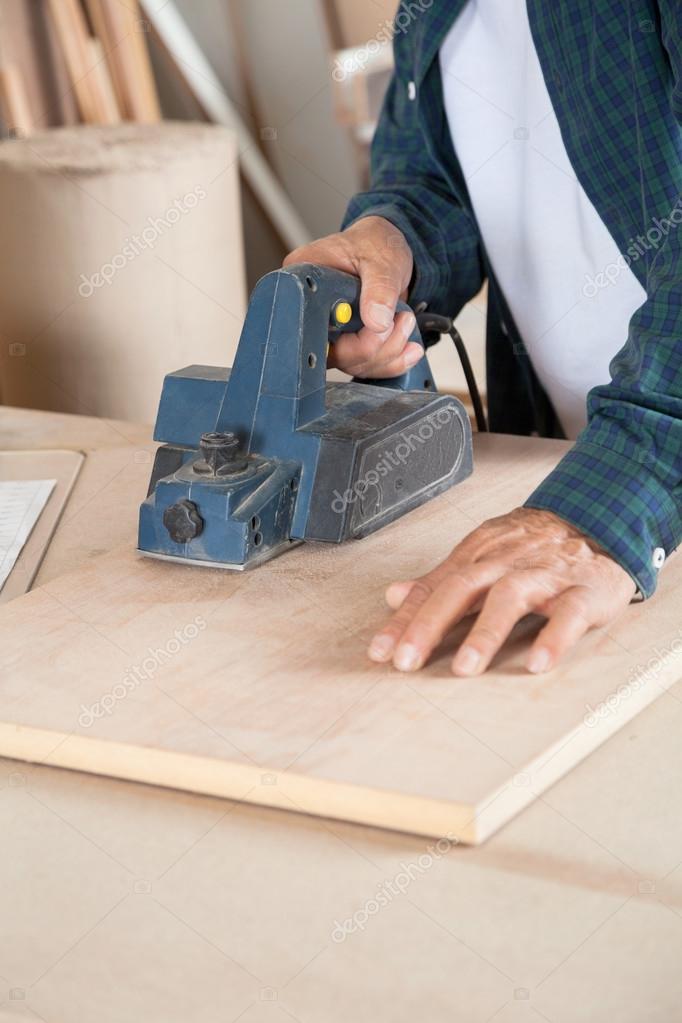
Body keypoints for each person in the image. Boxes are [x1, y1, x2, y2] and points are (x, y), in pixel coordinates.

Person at [285, 0, 682, 677]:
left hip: (634, 493)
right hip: (571, 465)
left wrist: (604, 507)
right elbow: (439, 173)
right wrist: (397, 244)